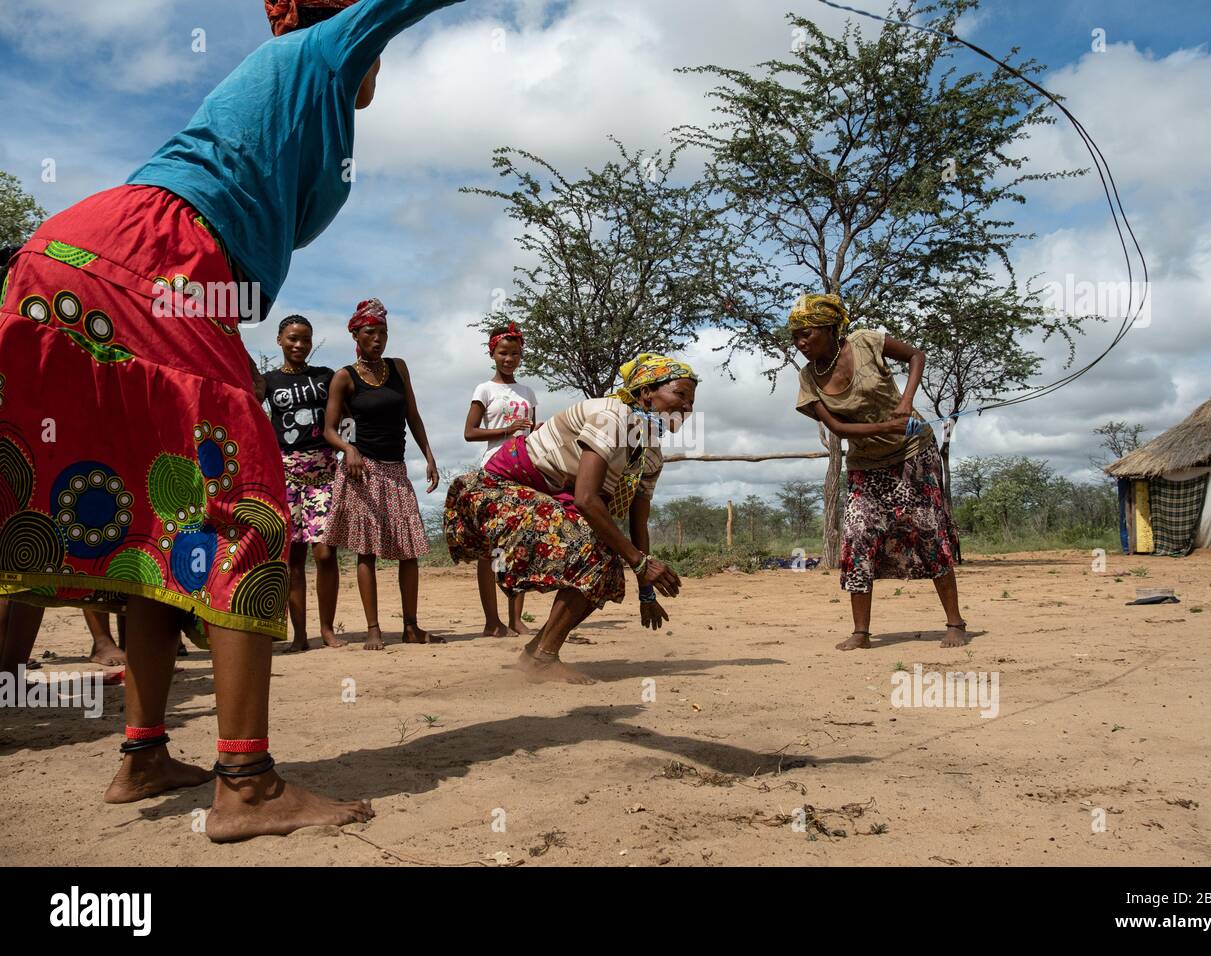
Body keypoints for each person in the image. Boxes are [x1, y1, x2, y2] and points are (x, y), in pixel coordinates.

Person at [0, 0, 466, 841]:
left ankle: (142, 757)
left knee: (162, 514)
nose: (378, 71)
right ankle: (246, 784)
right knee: (245, 511)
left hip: (69, 256)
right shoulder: (322, 49)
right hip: (156, 265)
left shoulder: (279, 88)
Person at [443, 353, 693, 684]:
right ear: (647, 393)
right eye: (680, 395)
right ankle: (543, 658)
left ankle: (538, 653)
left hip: (542, 498)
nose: (686, 408)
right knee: (595, 554)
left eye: (691, 402)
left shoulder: (650, 454)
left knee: (606, 564)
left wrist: (645, 589)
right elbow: (587, 500)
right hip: (498, 490)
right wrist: (639, 562)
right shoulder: (612, 418)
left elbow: (638, 523)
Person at [789, 294, 967, 650]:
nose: (801, 343)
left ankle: (955, 622)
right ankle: (861, 632)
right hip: (865, 466)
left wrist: (906, 404)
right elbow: (838, 429)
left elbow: (917, 355)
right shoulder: (808, 377)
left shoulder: (867, 342)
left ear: (829, 328)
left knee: (929, 532)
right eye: (795, 337)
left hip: (913, 455)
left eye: (807, 334)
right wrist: (884, 428)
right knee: (857, 539)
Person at [321, 299, 439, 650]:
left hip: (397, 469)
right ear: (356, 334)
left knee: (410, 550)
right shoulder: (344, 377)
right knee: (366, 551)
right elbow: (330, 429)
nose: (378, 339)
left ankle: (411, 627)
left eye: (383, 333)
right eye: (370, 332)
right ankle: (373, 629)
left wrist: (429, 456)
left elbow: (413, 416)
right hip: (363, 471)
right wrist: (349, 449)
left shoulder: (398, 368)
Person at [262, 315, 342, 652]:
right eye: (293, 338)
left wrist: (349, 451)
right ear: (279, 339)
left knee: (325, 553)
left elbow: (345, 418)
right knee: (293, 558)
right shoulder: (268, 381)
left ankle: (327, 629)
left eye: (305, 339)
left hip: (324, 471)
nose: (299, 345)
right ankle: (299, 635)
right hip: (286, 473)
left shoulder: (325, 377)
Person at [462, 323, 537, 637]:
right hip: (494, 470)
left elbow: (530, 431)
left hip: (524, 469)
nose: (509, 359)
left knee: (518, 547)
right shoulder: (484, 389)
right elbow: (470, 432)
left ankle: (516, 619)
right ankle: (491, 621)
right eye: (503, 353)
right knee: (490, 549)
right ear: (492, 353)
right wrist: (509, 430)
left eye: (515, 353)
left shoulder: (528, 392)